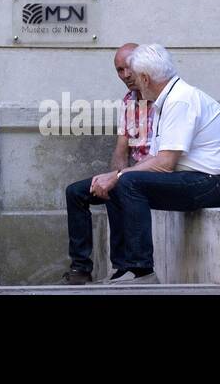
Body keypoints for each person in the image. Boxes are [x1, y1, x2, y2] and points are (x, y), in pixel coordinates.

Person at [80, 43, 220, 285]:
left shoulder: (180, 101)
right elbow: (157, 160)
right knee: (120, 183)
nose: (130, 80)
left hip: (214, 183)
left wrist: (120, 175)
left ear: (145, 78)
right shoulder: (166, 101)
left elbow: (165, 164)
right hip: (194, 178)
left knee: (128, 182)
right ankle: (125, 269)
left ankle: (142, 271)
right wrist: (116, 176)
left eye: (134, 75)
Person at [61, 43, 152, 285]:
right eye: (119, 70)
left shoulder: (162, 101)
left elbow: (165, 157)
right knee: (76, 192)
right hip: (133, 174)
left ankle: (125, 267)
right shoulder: (129, 101)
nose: (125, 75)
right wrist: (115, 174)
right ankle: (80, 270)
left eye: (128, 68)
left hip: (155, 175)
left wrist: (120, 178)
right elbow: (122, 149)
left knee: (122, 186)